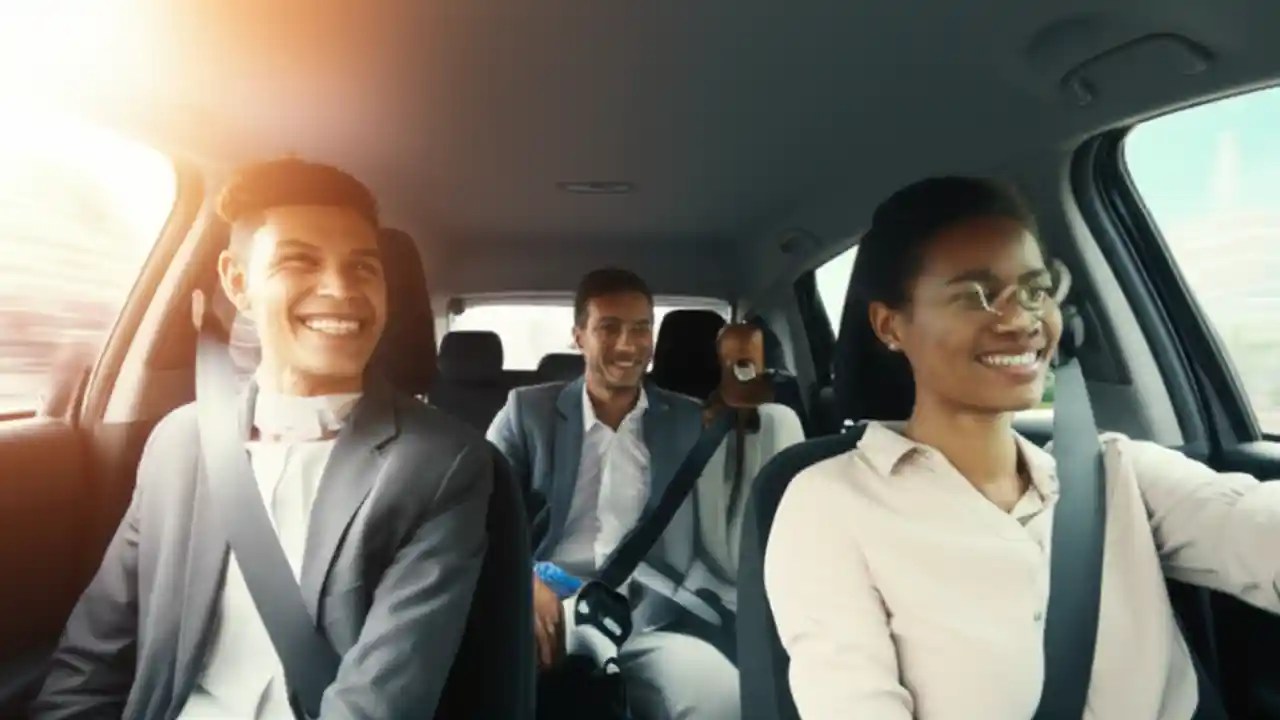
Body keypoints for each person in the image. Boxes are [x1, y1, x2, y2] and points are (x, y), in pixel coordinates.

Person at [765, 176, 1280, 720]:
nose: (1019, 320)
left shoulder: (1116, 472)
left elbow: (1253, 526)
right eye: (974, 295)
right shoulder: (827, 504)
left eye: (1035, 290)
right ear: (890, 325)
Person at [32, 158, 495, 719]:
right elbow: (92, 659)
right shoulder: (179, 445)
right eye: (300, 261)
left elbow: (381, 703)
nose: (341, 290)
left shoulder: (441, 463)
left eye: (363, 268)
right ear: (237, 281)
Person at [486, 268, 740, 720]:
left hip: (650, 613)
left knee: (719, 694)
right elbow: (476, 516)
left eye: (642, 328)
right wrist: (523, 582)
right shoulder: (527, 412)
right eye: (609, 328)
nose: (628, 345)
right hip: (547, 605)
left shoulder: (690, 421)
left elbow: (721, 529)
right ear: (579, 336)